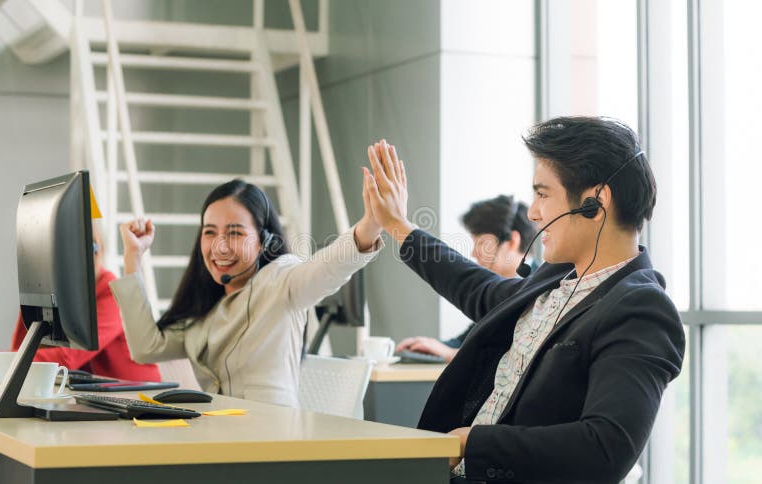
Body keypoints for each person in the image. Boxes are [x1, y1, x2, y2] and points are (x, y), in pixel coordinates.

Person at [362, 118, 685, 483]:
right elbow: (475, 287)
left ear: (595, 202)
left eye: (543, 194)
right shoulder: (555, 279)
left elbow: (605, 448)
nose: (533, 212)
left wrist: (475, 443)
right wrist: (399, 227)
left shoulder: (641, 310)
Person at [110, 178, 382, 407]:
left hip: (269, 443)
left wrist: (369, 227)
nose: (220, 247)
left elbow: (325, 270)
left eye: (235, 233)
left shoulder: (281, 280)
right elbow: (146, 348)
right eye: (210, 232)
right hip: (218, 439)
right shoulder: (205, 310)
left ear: (264, 241)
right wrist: (133, 256)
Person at [0, 224, 161, 382]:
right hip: (91, 396)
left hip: (135, 398)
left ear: (95, 251)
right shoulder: (61, 292)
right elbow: (24, 347)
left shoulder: (109, 290)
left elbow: (69, 357)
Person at [396, 196, 538, 362]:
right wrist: (429, 346)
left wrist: (449, 354)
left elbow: (509, 355)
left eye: (482, 244)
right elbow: (466, 341)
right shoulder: (495, 293)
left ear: (512, 241)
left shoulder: (540, 292)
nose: (473, 253)